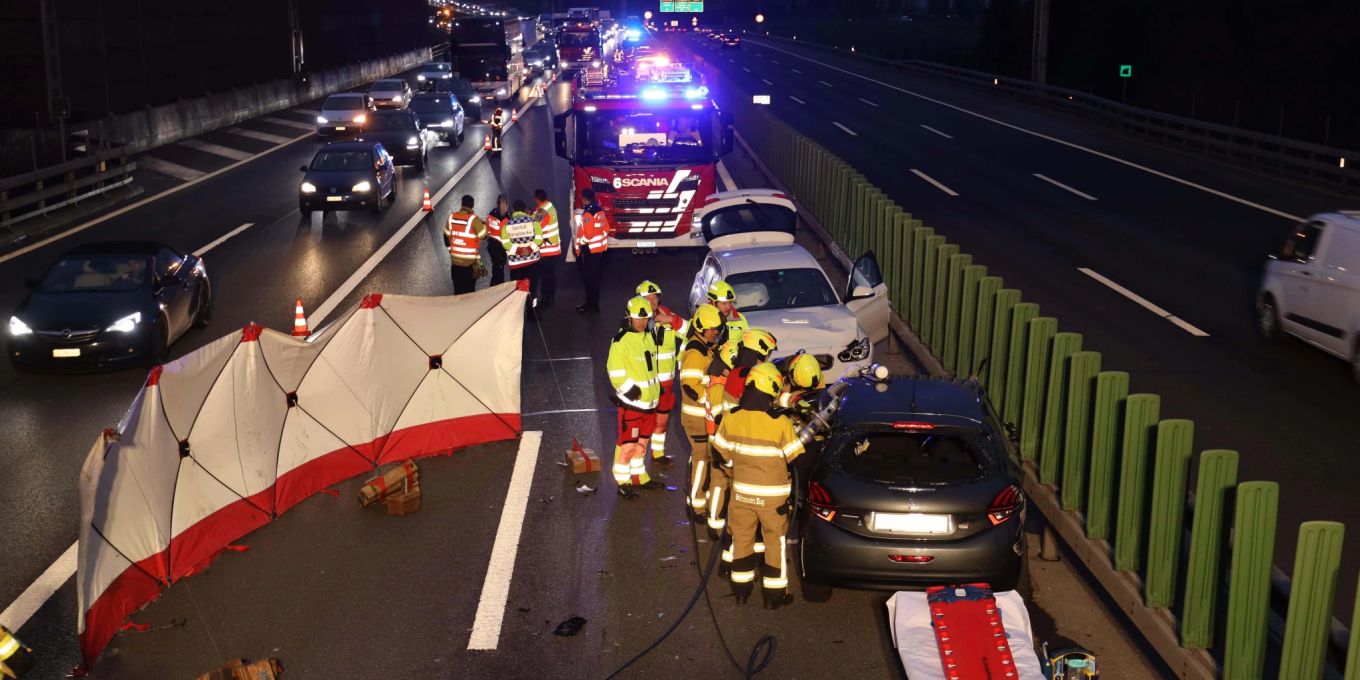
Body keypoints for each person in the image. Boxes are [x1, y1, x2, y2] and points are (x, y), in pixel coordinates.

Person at [712, 363, 805, 610]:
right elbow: (797, 459)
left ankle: (741, 592)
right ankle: (774, 597)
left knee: (741, 540)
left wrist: (733, 469)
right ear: (771, 387)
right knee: (774, 543)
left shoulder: (731, 417)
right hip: (772, 501)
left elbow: (719, 453)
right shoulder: (779, 422)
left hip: (741, 495)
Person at [607, 296, 663, 499]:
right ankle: (623, 481)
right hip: (632, 404)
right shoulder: (621, 341)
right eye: (638, 318)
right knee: (628, 445)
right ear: (629, 317)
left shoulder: (649, 336)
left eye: (645, 318)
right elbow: (614, 371)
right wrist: (629, 390)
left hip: (650, 404)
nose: (642, 322)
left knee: (642, 444)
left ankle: (639, 476)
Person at [679, 304, 723, 518]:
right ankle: (696, 504)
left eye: (717, 328)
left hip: (702, 416)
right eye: (712, 329)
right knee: (701, 460)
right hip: (697, 417)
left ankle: (699, 498)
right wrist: (710, 400)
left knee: (703, 459)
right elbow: (690, 384)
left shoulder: (705, 347)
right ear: (701, 328)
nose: (716, 332)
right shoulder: (696, 352)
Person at [637, 280, 682, 466]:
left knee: (661, 422)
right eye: (647, 298)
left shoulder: (668, 315)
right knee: (643, 426)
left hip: (666, 383)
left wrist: (673, 321)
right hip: (646, 385)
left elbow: (691, 331)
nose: (651, 302)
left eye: (654, 298)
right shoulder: (635, 323)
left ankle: (658, 453)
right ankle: (637, 462)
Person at [501, 199, 543, 306]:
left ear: (513, 210)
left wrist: (519, 250)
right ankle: (533, 310)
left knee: (518, 291)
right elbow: (539, 239)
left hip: (516, 265)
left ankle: (519, 311)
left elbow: (505, 243)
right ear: (525, 210)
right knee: (533, 289)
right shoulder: (533, 222)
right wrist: (529, 249)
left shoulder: (507, 225)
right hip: (532, 262)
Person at [574, 188, 609, 313]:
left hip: (589, 250)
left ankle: (591, 306)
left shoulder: (588, 213)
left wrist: (580, 242)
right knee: (594, 280)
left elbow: (588, 234)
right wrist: (598, 240)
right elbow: (606, 228)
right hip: (597, 251)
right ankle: (592, 305)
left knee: (589, 280)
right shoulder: (599, 210)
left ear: (584, 198)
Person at [445, 194, 487, 294]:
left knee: (457, 292)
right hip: (469, 266)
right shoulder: (474, 220)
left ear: (462, 204)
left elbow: (445, 236)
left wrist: (451, 250)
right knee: (469, 293)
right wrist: (484, 225)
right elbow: (483, 236)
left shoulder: (451, 218)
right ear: (472, 206)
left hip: (455, 264)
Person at [533, 189, 562, 307]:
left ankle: (547, 298)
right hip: (553, 247)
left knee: (545, 276)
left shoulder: (543, 211)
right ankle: (550, 297)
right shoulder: (549, 206)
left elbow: (534, 225)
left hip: (546, 249)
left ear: (537, 199)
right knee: (550, 274)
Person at [484, 194, 510, 286]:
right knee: (499, 271)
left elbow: (487, 227)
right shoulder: (507, 217)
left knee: (495, 268)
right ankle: (497, 288)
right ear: (507, 204)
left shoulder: (491, 213)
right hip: (501, 248)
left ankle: (494, 287)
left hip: (492, 246)